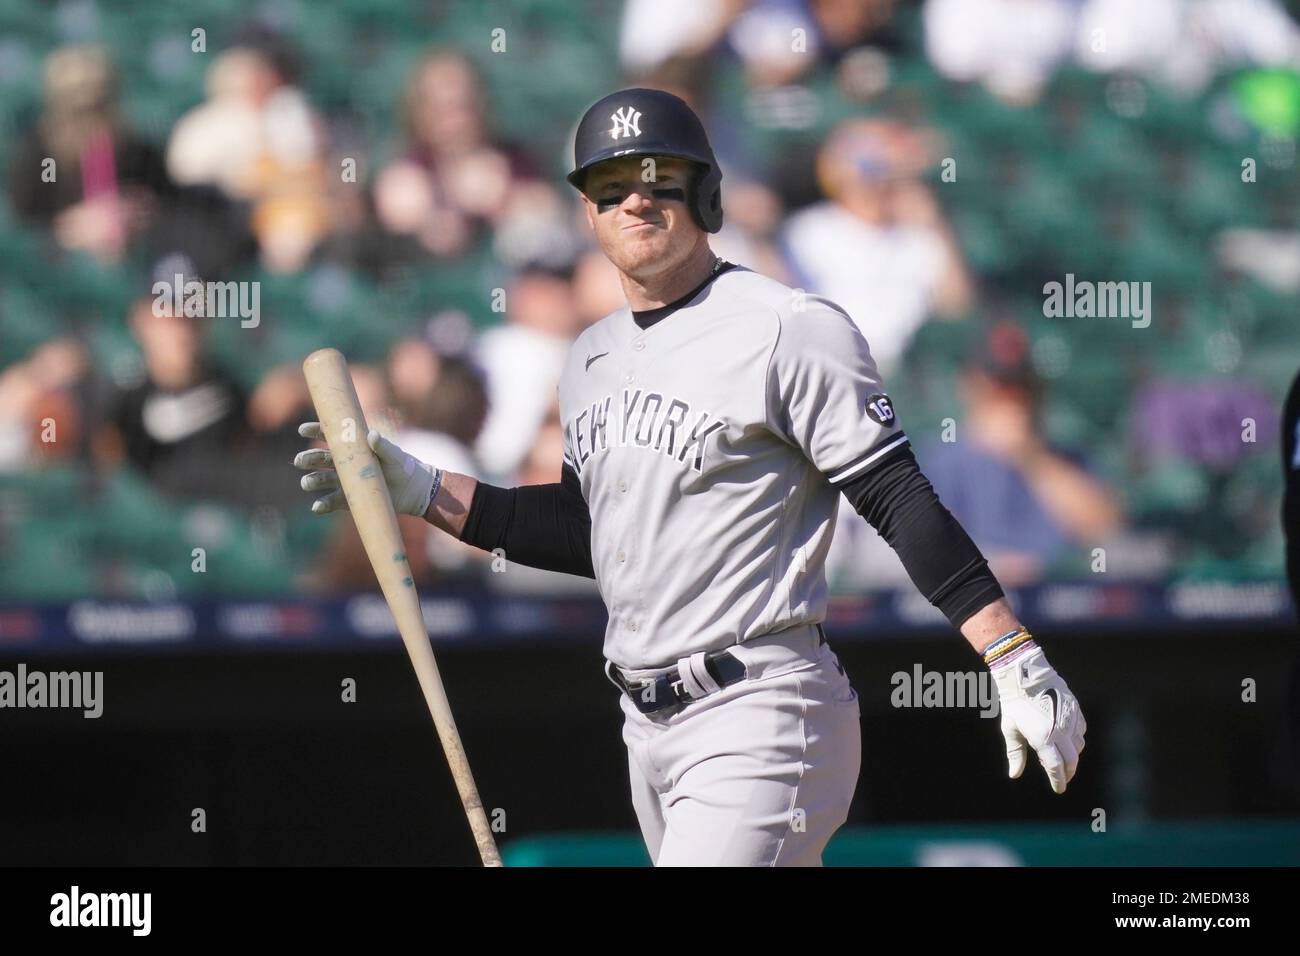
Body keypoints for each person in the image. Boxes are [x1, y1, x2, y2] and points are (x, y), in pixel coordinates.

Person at [293, 89, 1087, 866]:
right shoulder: (590, 358)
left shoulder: (787, 326)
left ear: (705, 191)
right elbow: (584, 530)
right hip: (646, 728)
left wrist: (1011, 653)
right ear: (589, 214)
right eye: (610, 187)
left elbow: (896, 496)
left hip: (762, 707)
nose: (635, 201)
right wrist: (425, 489)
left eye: (657, 178)